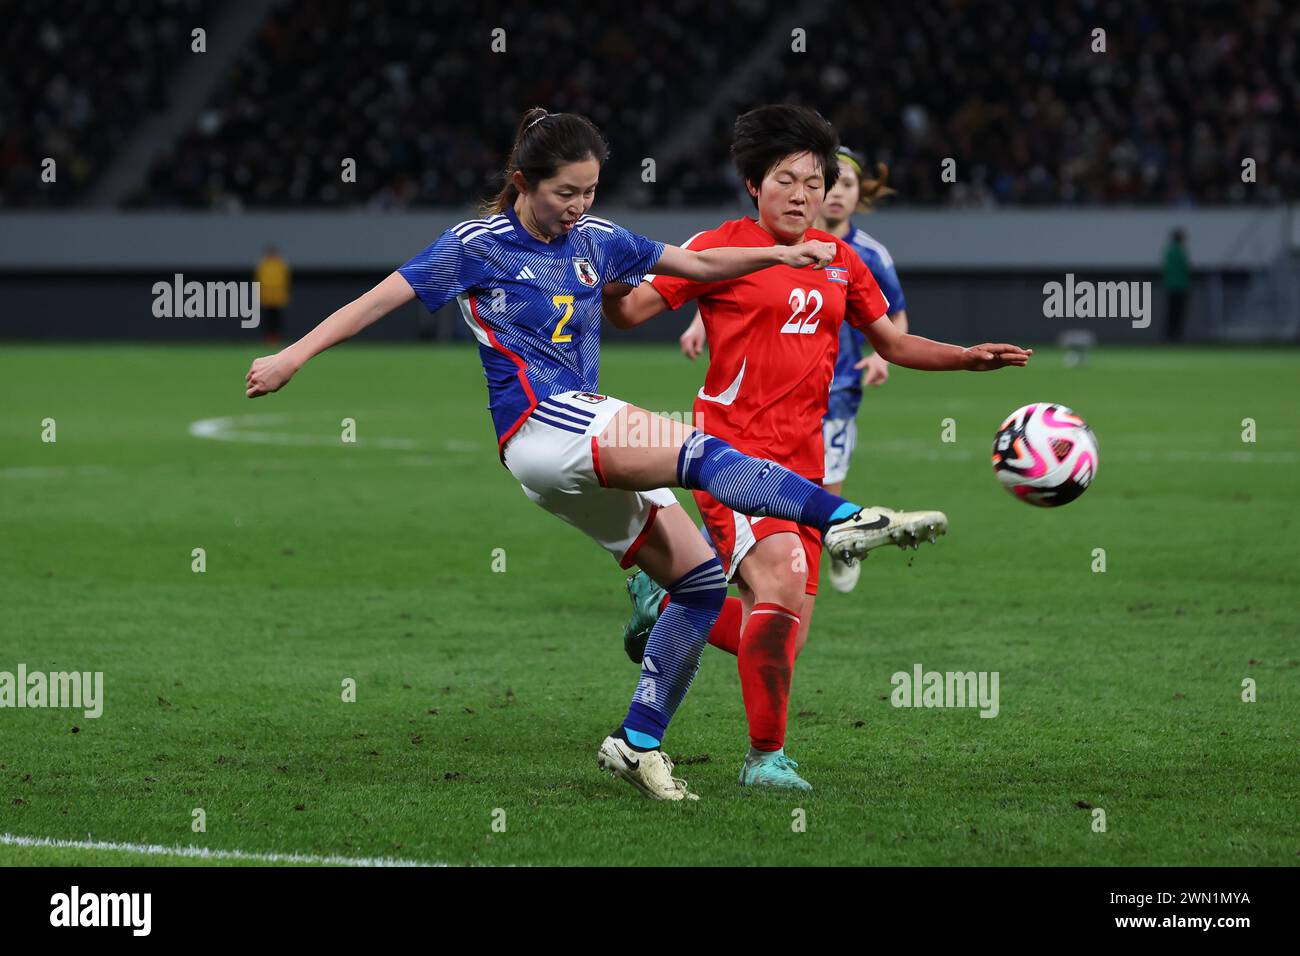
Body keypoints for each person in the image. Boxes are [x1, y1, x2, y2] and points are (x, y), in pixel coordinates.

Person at [243, 107, 948, 801]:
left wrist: (780, 253)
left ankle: (637, 742)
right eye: (565, 193)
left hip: (575, 452)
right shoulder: (475, 244)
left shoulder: (598, 235)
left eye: (589, 191)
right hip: (541, 426)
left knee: (700, 583)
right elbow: (375, 301)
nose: (578, 206)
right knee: (699, 450)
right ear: (523, 182)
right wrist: (292, 356)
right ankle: (848, 517)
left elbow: (698, 263)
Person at [604, 106, 1032, 790]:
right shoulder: (722, 246)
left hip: (808, 474)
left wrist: (965, 358)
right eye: (786, 180)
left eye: (813, 181)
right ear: (753, 183)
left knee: (781, 629)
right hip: (733, 462)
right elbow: (628, 313)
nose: (803, 195)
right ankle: (762, 761)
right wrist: (607, 261)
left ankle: (672, 610)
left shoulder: (844, 261)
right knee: (775, 586)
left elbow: (892, 341)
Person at [677, 146, 915, 594]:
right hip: (759, 409)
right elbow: (722, 283)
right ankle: (697, 578)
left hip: (838, 391)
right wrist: (698, 325)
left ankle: (838, 540)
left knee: (817, 488)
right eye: (828, 182)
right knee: (756, 502)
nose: (833, 194)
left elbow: (895, 319)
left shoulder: (863, 254)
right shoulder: (778, 244)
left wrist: (883, 355)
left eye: (843, 184)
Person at [255, 245, 290, 346]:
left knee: (277, 321)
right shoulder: (263, 265)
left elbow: (285, 281)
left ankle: (276, 339)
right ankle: (267, 339)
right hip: (266, 298)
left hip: (278, 298)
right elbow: (258, 281)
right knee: (267, 321)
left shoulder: (281, 265)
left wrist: (283, 296)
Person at [1163, 229, 1189, 342]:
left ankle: (1169, 335)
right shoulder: (1181, 252)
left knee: (1171, 312)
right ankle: (1177, 336)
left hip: (1170, 285)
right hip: (1181, 286)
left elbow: (1165, 268)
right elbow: (1186, 269)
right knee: (1179, 313)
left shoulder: (1169, 252)